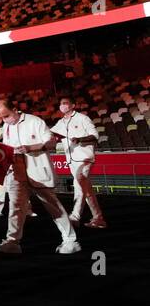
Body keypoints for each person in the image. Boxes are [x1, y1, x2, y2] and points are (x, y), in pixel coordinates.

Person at [0, 99, 81, 256]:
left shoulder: (34, 121)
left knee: (53, 206)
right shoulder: (6, 126)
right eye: (1, 118)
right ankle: (12, 242)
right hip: (16, 172)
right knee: (15, 208)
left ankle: (70, 240)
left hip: (37, 170)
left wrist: (29, 148)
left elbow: (51, 143)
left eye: (6, 115)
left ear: (14, 108)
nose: (5, 120)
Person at [51, 96, 105, 228]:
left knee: (79, 184)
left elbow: (94, 136)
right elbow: (49, 134)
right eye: (61, 104)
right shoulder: (61, 123)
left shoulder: (83, 118)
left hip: (84, 158)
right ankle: (98, 219)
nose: (62, 106)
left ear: (73, 105)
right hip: (71, 160)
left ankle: (74, 217)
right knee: (87, 190)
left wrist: (80, 139)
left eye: (65, 103)